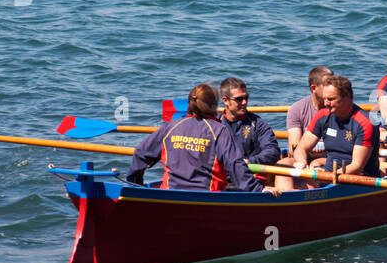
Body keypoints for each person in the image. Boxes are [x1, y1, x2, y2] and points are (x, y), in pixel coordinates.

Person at [126, 83, 277, 194]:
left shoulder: (171, 126)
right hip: (208, 196)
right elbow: (235, 164)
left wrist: (135, 186)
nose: (244, 102)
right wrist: (258, 190)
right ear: (214, 105)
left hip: (169, 192)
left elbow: (140, 153)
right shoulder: (219, 130)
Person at [275, 75, 378, 191]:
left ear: (347, 96)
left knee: (311, 183)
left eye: (331, 99)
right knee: (283, 165)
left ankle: (296, 199)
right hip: (327, 175)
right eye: (324, 99)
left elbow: (357, 166)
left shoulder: (365, 122)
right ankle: (286, 197)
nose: (326, 103)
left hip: (356, 180)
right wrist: (303, 164)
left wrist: (325, 176)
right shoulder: (322, 116)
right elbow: (301, 149)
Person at [218, 77, 281, 179]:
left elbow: (272, 151)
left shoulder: (258, 124)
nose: (244, 102)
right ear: (225, 100)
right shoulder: (214, 124)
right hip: (221, 178)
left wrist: (249, 162)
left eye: (246, 98)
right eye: (239, 99)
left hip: (248, 179)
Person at [286, 65, 333, 153]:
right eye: (327, 85)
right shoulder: (296, 109)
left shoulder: (338, 108)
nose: (331, 88)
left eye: (333, 84)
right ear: (313, 88)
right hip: (304, 156)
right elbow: (294, 148)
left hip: (330, 158)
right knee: (285, 162)